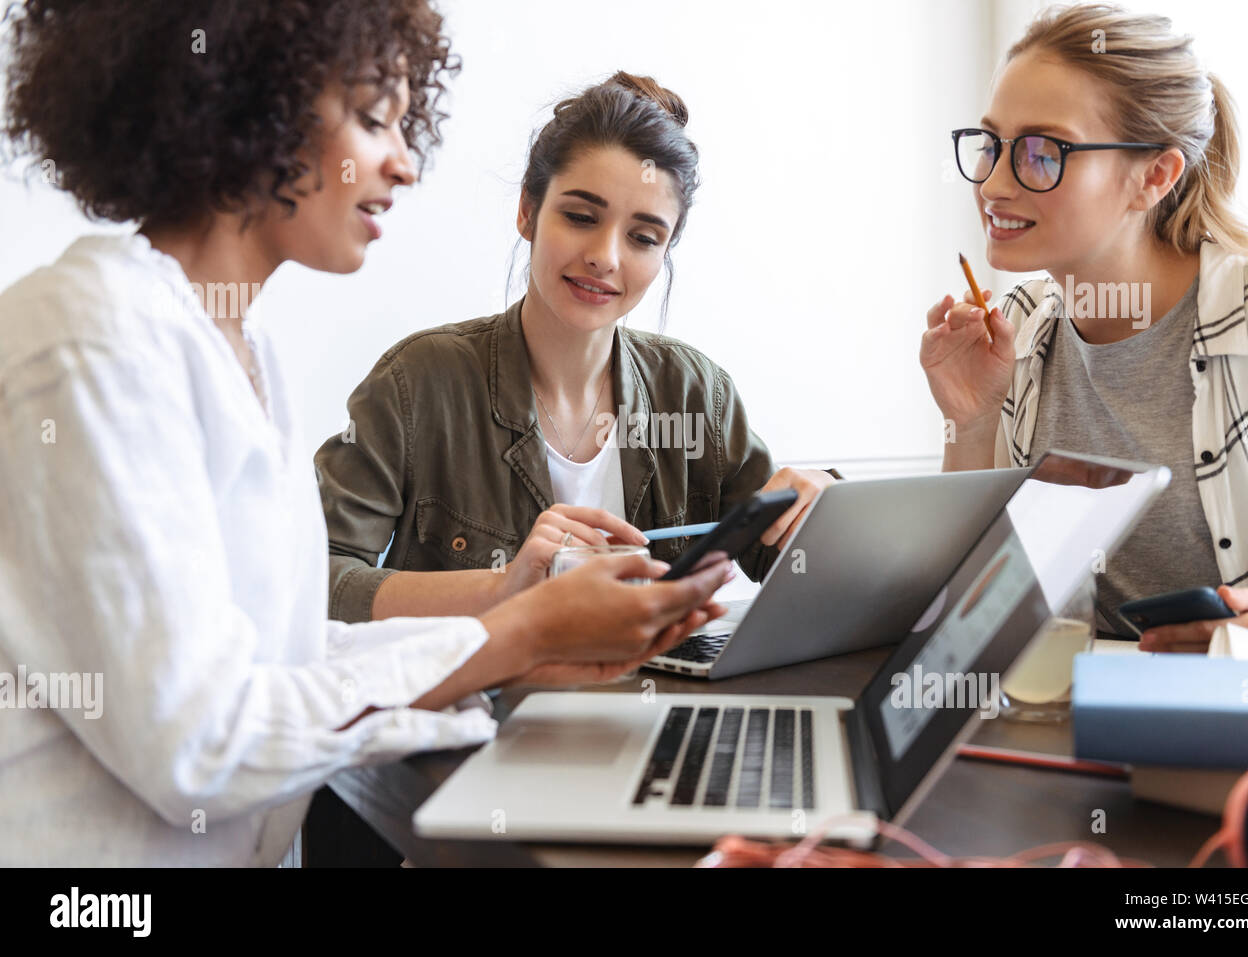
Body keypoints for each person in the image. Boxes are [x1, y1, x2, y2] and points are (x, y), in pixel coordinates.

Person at [0, 0, 730, 866]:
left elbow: (289, 657)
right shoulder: (90, 343)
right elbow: (198, 742)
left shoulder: (237, 343)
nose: (406, 161)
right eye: (376, 118)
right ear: (248, 102)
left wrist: (516, 623)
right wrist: (518, 635)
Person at [313, 72, 835, 625]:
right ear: (527, 211)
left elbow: (808, 577)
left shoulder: (697, 396)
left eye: (643, 237)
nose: (605, 257)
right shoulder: (417, 383)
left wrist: (828, 509)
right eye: (581, 217)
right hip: (481, 708)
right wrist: (502, 589)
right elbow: (314, 579)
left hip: (660, 702)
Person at [920, 2, 1248, 650]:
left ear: (1154, 175)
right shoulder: (1015, 330)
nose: (994, 183)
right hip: (1061, 725)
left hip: (1247, 735)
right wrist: (972, 422)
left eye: (1043, 152)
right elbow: (964, 619)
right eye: (991, 145)